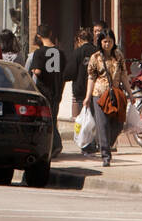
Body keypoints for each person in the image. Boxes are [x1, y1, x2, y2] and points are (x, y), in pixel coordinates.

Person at [86, 29, 129, 167]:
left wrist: (130, 93)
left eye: (110, 41)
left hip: (116, 94)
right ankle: (106, 155)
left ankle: (106, 144)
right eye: (105, 41)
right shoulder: (95, 57)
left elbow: (123, 75)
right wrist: (87, 97)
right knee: (103, 124)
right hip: (99, 94)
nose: (107, 44)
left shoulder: (118, 56)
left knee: (118, 123)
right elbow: (91, 77)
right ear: (100, 42)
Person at [28, 24, 67, 157]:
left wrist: (32, 69)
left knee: (47, 120)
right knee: (53, 117)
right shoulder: (60, 52)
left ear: (38, 35)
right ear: (50, 33)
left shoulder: (39, 53)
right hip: (57, 89)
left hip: (44, 91)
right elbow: (64, 72)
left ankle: (56, 144)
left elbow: (37, 71)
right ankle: (54, 145)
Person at [69, 28, 93, 118]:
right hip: (95, 90)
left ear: (79, 39)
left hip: (80, 89)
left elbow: (69, 73)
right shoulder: (97, 51)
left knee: (81, 119)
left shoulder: (77, 53)